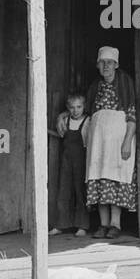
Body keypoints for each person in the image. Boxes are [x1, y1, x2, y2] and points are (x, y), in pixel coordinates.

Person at [84, 46, 137, 238]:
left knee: (115, 178)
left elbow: (132, 116)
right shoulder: (95, 87)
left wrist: (127, 142)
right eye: (102, 62)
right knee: (99, 178)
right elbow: (85, 113)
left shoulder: (124, 84)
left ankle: (116, 224)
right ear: (98, 65)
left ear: (116, 65)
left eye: (109, 62)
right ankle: (103, 224)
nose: (105, 66)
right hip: (98, 144)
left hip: (117, 141)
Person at [49, 93, 90, 237]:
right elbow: (60, 135)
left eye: (79, 107)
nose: (75, 110)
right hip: (66, 161)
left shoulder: (88, 121)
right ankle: (61, 224)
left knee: (80, 192)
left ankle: (82, 226)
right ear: (67, 108)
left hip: (81, 161)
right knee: (63, 191)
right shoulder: (65, 120)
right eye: (72, 107)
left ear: (84, 107)